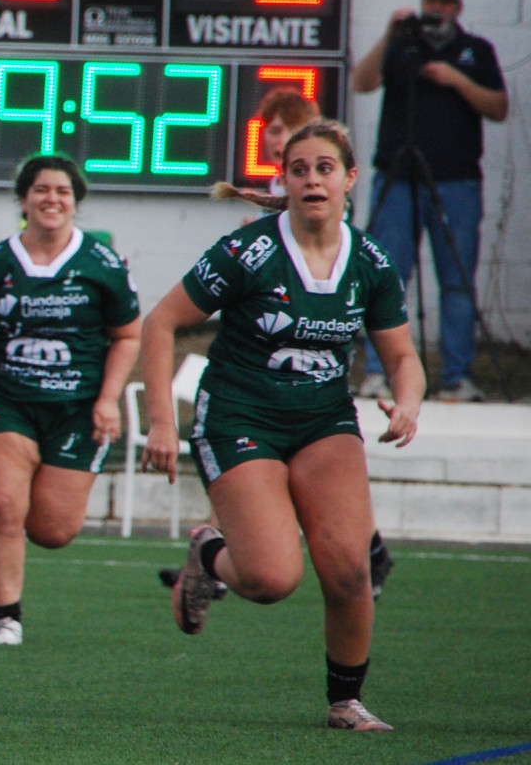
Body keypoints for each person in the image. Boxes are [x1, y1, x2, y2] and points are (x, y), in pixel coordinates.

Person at [140, 120, 423, 733]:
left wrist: (407, 403)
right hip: (239, 415)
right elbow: (160, 323)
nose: (312, 179)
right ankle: (208, 552)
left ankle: (345, 701)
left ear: (349, 179)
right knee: (271, 579)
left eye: (325, 168)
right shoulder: (249, 251)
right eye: (300, 169)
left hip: (323, 419)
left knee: (350, 568)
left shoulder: (371, 261)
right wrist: (162, 421)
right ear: (285, 181)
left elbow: (403, 357)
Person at [0, 154, 141, 646]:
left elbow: (128, 336)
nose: (51, 199)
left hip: (78, 407)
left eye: (62, 191)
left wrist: (109, 399)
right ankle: (5, 618)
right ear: (23, 200)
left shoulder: (103, 263)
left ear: (75, 202)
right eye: (41, 190)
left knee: (53, 531)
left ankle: (40, 489)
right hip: (6, 398)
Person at [350, 0, 508, 402]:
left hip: (456, 182)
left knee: (456, 280)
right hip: (398, 178)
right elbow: (361, 82)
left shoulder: (475, 50)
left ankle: (456, 378)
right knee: (388, 276)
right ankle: (378, 373)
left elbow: (499, 108)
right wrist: (389, 33)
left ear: (458, 8)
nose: (436, 8)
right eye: (430, 0)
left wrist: (457, 79)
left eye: (444, 1)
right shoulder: (403, 44)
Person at [248, 88, 321, 198]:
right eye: (274, 131)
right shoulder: (261, 199)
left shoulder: (322, 194)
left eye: (293, 132)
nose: (283, 140)